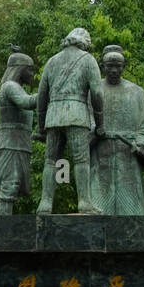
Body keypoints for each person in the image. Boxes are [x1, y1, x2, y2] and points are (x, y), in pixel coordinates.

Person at [34, 27, 105, 214]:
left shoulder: (52, 61)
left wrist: (41, 126)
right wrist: (100, 122)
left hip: (53, 116)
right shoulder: (88, 60)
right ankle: (84, 202)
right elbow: (97, 93)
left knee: (50, 161)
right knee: (81, 160)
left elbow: (41, 97)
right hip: (77, 115)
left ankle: (45, 203)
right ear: (85, 42)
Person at [90, 45, 144, 215]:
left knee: (133, 212)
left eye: (118, 66)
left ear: (123, 66)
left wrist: (142, 145)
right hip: (100, 156)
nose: (113, 70)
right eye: (109, 66)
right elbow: (83, 125)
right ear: (102, 66)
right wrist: (94, 132)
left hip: (128, 157)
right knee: (98, 211)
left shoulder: (137, 92)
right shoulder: (92, 91)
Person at [0, 51, 37, 214]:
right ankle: (4, 230)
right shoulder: (11, 87)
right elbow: (27, 102)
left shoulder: (16, 88)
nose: (32, 74)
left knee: (13, 185)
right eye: (30, 69)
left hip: (18, 143)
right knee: (9, 185)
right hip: (12, 144)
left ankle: (3, 226)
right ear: (19, 69)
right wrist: (47, 92)